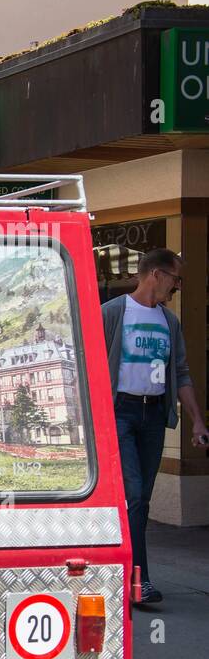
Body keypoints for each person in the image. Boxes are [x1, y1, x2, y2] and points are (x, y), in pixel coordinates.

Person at [102, 248, 209, 607]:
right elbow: (90, 364)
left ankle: (121, 571)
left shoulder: (169, 321)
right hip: (120, 413)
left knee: (141, 500)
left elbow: (180, 371)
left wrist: (196, 420)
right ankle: (139, 580)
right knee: (133, 494)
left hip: (152, 417)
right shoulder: (113, 313)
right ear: (156, 276)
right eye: (176, 281)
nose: (177, 288)